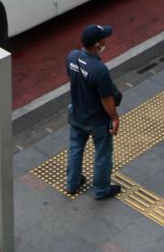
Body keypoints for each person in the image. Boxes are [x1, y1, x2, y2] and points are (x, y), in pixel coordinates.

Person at [65, 24, 122, 200]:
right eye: (104, 38)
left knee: (75, 148)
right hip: (96, 120)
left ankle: (72, 183)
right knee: (102, 154)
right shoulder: (99, 70)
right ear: (98, 44)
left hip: (76, 114)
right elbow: (107, 99)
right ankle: (101, 189)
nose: (106, 40)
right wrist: (114, 118)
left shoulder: (72, 57)